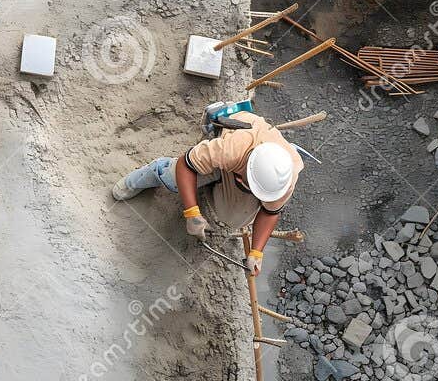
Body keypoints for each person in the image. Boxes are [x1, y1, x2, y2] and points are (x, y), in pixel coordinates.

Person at [112, 108, 302, 274]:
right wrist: (192, 213)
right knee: (174, 179)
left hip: (241, 170)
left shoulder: (284, 179)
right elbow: (185, 165)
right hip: (229, 142)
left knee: (237, 217)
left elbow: (270, 212)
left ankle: (212, 183)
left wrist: (256, 252)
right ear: (247, 169)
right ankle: (154, 171)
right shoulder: (232, 148)